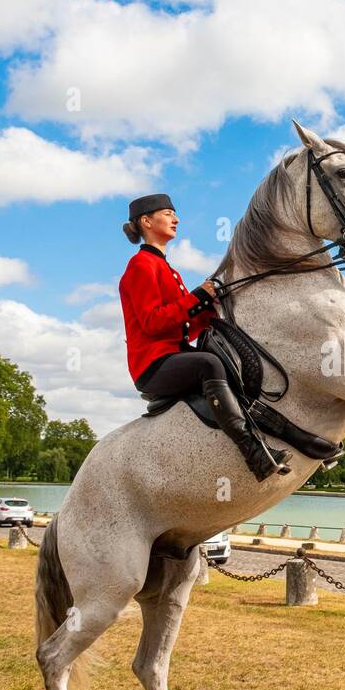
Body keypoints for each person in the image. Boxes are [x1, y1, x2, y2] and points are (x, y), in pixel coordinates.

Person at [119, 193, 291, 481]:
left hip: (173, 355)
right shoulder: (141, 266)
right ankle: (254, 454)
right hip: (152, 366)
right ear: (146, 222)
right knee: (209, 364)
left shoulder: (167, 269)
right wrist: (197, 297)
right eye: (168, 213)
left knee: (229, 363)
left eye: (175, 214)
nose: (176, 219)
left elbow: (187, 326)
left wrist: (213, 306)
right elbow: (152, 323)